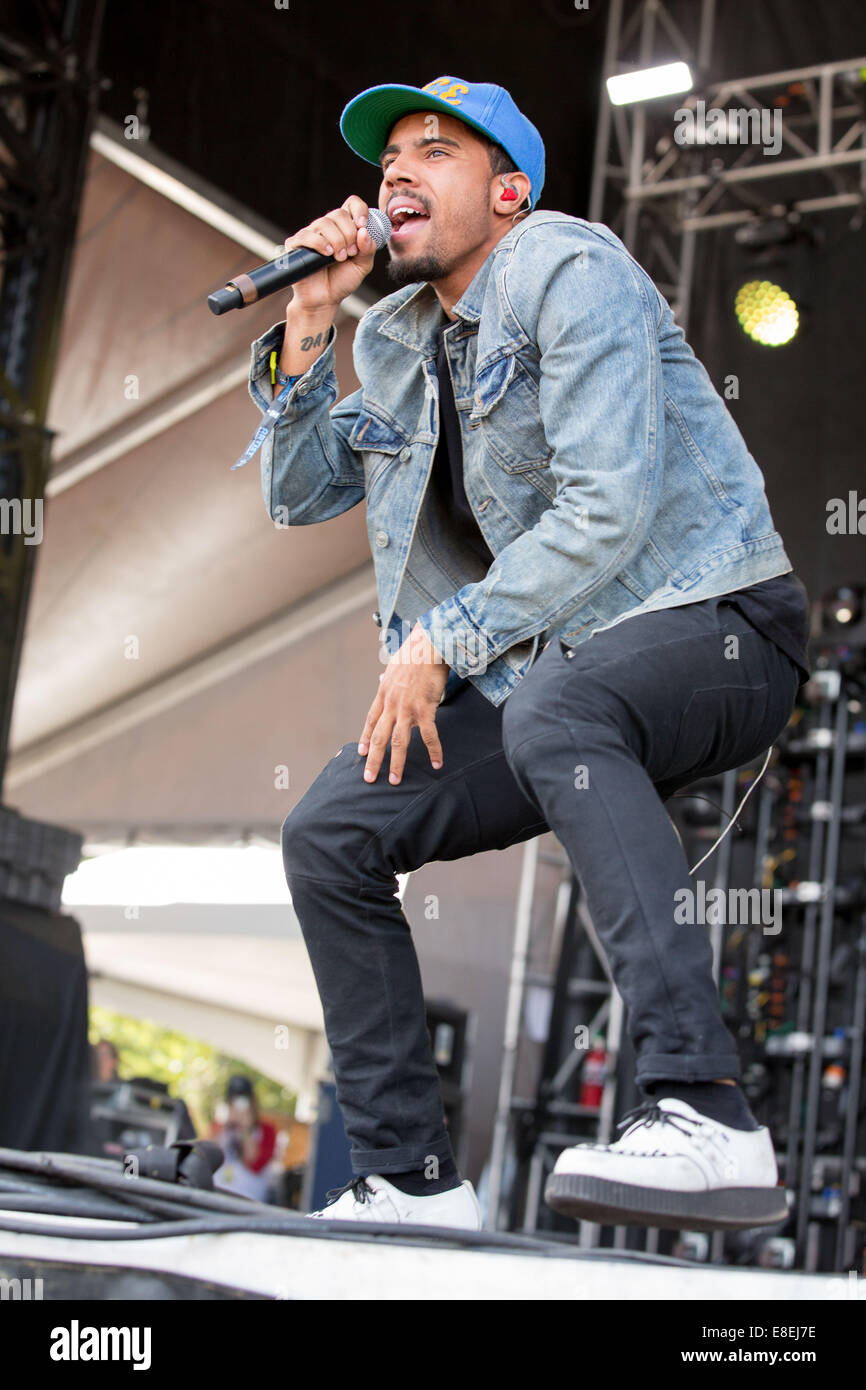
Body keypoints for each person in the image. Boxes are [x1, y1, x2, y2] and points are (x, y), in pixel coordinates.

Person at [243, 76, 809, 1231]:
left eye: (432, 151)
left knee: (555, 707)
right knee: (331, 833)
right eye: (388, 154)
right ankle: (408, 1179)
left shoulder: (566, 262)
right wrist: (310, 327)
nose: (396, 170)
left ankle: (706, 1111)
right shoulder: (399, 336)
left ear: (506, 190)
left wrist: (441, 644)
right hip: (551, 669)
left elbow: (605, 507)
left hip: (718, 624)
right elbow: (299, 494)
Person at [210, 1075, 280, 1203]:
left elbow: (254, 1164)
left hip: (248, 1201)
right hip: (217, 1196)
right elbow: (208, 1155)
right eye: (233, 1100)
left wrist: (246, 1129)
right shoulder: (220, 1126)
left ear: (253, 1101)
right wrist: (224, 1125)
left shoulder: (267, 1130)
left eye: (242, 1100)